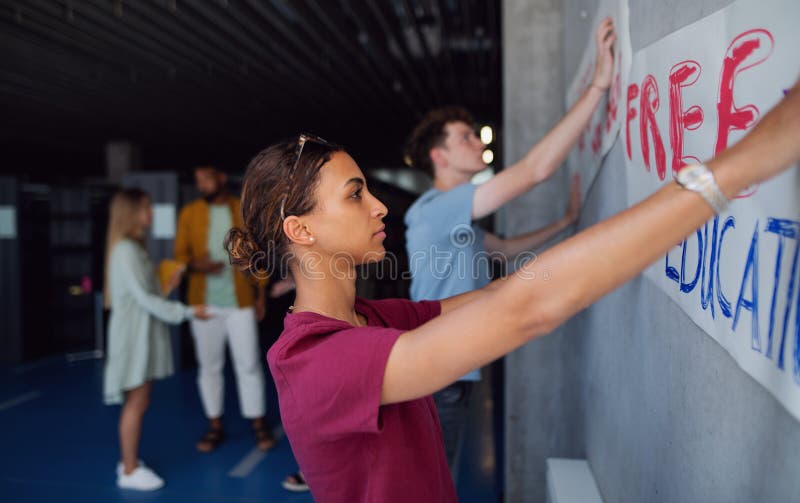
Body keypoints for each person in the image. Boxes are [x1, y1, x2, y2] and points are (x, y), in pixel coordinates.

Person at [224, 87, 800, 503]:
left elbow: (507, 290)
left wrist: (597, 237)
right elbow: (525, 309)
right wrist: (740, 164)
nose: (378, 206)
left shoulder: (372, 317)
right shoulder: (312, 358)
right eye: (355, 196)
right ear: (301, 230)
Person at [402, 18, 612, 471]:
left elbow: (503, 251)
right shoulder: (436, 207)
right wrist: (598, 87)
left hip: (450, 367)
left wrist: (566, 220)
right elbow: (535, 171)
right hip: (438, 368)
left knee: (434, 477)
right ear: (439, 157)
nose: (477, 142)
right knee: (428, 483)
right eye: (465, 138)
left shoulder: (457, 216)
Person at [103, 188, 209, 491]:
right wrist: (189, 311)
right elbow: (145, 302)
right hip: (132, 337)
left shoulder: (133, 248)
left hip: (139, 334)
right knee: (136, 402)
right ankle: (129, 468)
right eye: (146, 208)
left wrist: (167, 286)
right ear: (132, 212)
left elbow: (147, 298)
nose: (150, 213)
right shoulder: (125, 250)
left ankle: (129, 462)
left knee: (140, 400)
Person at [174, 165, 274, 452]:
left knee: (249, 365)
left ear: (221, 178)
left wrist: (261, 295)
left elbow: (256, 255)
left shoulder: (240, 210)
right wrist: (197, 265)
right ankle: (214, 424)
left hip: (240, 302)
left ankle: (258, 422)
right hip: (204, 304)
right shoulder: (189, 214)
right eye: (198, 181)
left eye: (206, 179)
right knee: (209, 367)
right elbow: (180, 257)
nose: (202, 185)